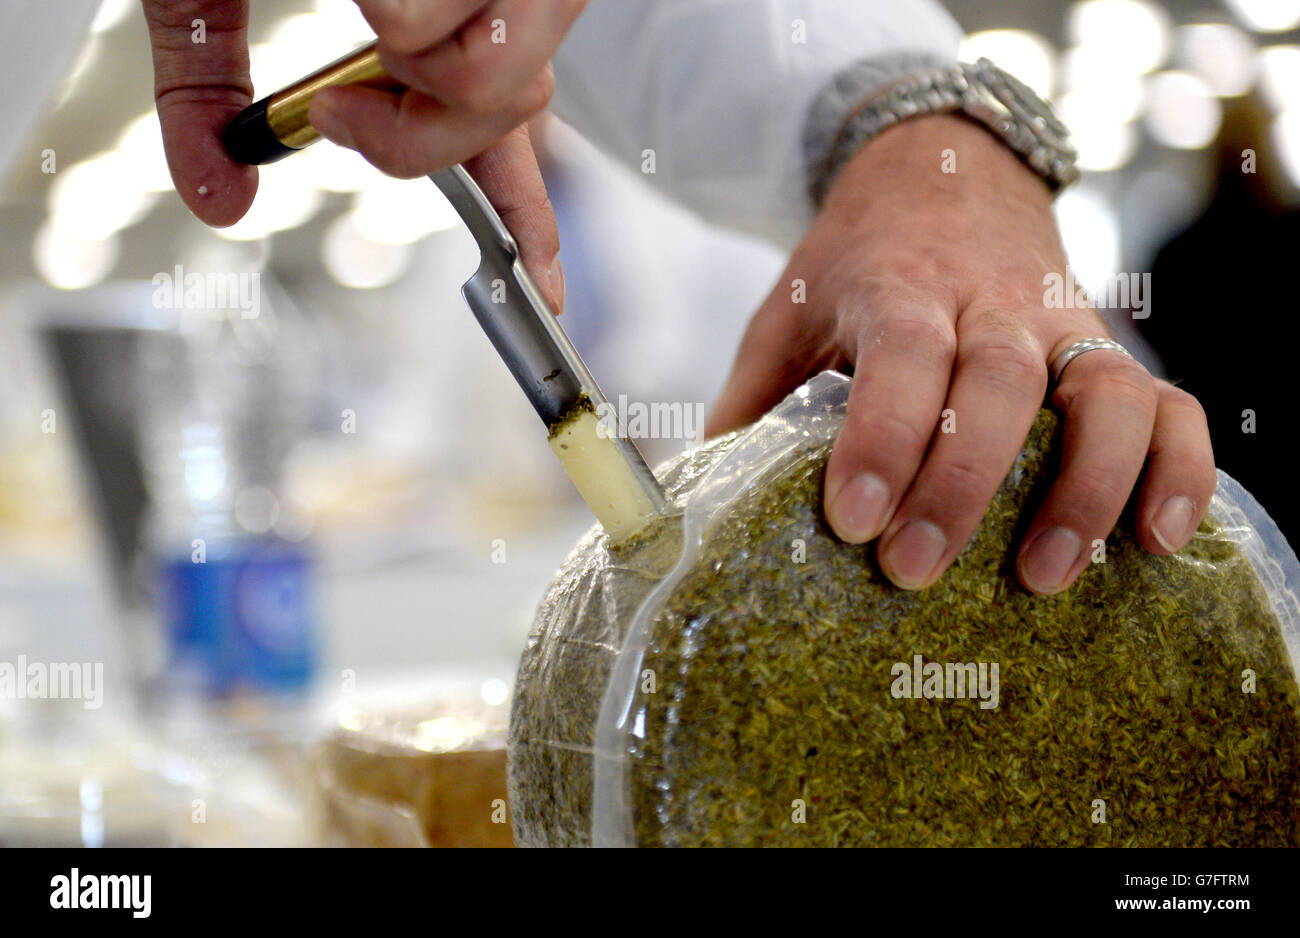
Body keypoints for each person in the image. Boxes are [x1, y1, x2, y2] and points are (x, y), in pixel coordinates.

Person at [141, 0, 1216, 596]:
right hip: (531, 578)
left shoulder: (679, 207)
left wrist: (932, 143)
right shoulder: (435, 258)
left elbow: (689, 21)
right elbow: (414, 441)